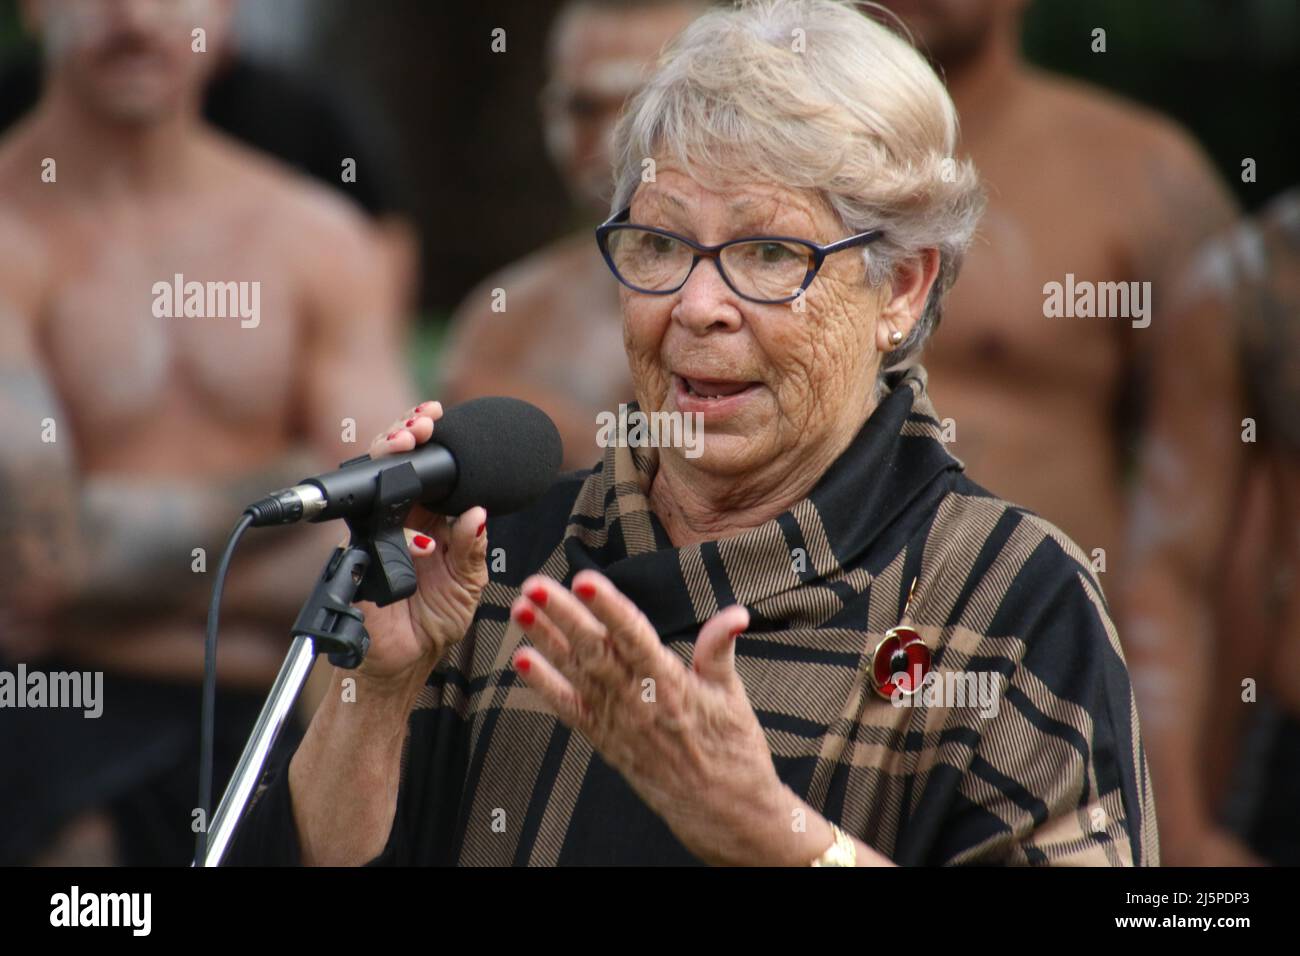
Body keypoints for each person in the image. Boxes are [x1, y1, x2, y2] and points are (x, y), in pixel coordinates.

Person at [229, 0, 1156, 867]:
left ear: (902, 288)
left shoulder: (1009, 607)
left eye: (767, 253)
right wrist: (378, 693)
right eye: (661, 245)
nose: (697, 305)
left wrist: (769, 833)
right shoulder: (491, 560)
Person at [0, 0, 411, 864]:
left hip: (283, 704)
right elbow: (38, 557)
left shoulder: (316, 239)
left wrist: (100, 585)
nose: (134, 16)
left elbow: (386, 535)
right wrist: (299, 490)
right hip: (53, 717)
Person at [439, 0, 706, 470]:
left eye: (642, 105)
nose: (609, 142)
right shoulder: (502, 321)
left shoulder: (773, 293)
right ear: (550, 114)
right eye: (584, 109)